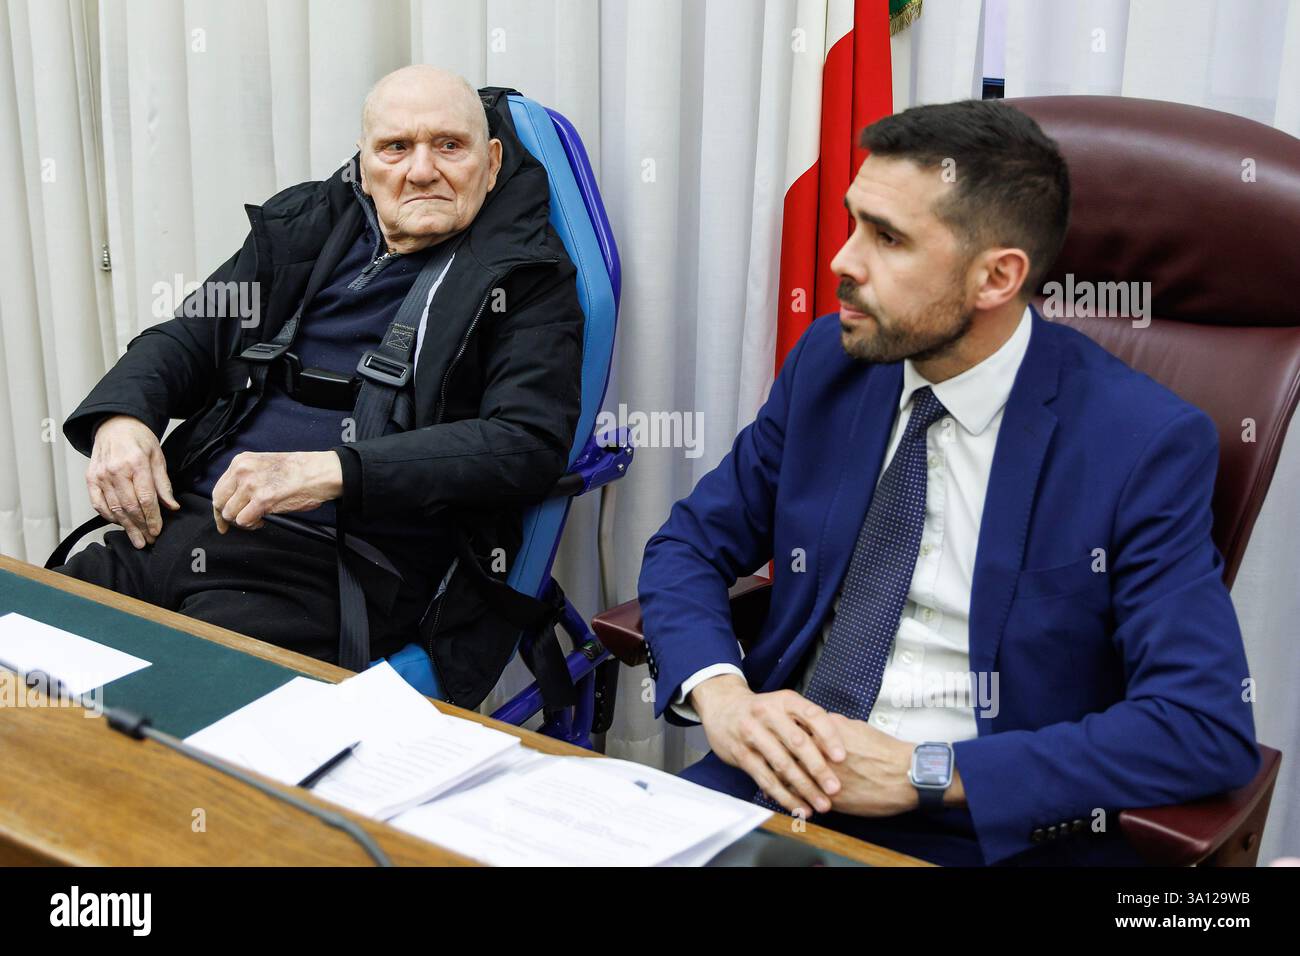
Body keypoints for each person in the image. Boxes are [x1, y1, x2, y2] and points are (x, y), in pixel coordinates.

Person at [637, 99, 1259, 866]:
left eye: (888, 238)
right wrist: (724, 698)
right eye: (855, 220)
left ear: (997, 276)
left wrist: (926, 775)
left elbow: (1201, 724)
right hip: (773, 792)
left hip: (983, 833)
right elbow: (687, 546)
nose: (842, 260)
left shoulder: (1140, 444)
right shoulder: (832, 364)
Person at [56, 66, 583, 709]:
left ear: (491, 160)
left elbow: (525, 444)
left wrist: (333, 471)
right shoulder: (308, 225)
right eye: (396, 148)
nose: (421, 170)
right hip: (174, 528)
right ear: (365, 165)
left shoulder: (528, 276)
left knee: (170, 727)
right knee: (28, 662)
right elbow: (191, 335)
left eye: (450, 145)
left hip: (324, 565)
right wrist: (123, 419)